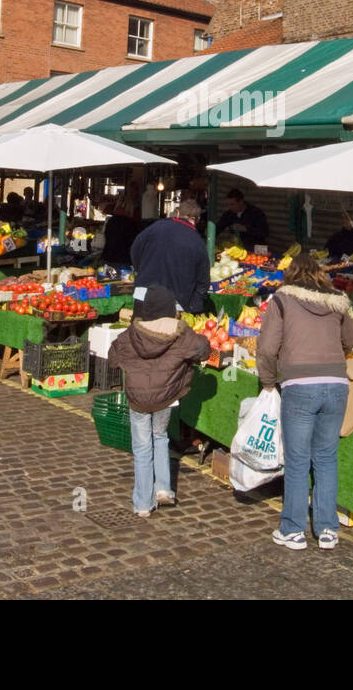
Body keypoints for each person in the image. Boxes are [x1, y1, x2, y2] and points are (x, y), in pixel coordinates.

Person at [257, 253, 353, 551]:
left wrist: (267, 381)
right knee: (326, 457)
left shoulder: (281, 300)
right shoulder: (337, 302)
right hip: (337, 383)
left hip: (299, 385)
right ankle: (328, 530)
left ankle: (293, 530)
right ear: (320, 275)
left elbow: (266, 349)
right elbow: (350, 340)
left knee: (298, 460)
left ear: (291, 274)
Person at [106, 284, 208, 517]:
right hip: (166, 398)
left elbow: (113, 358)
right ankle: (163, 489)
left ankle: (143, 504)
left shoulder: (130, 333)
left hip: (138, 400)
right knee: (160, 437)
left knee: (142, 449)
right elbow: (203, 349)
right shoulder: (181, 332)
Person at [130, 198, 211, 313]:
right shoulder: (198, 242)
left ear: (177, 213)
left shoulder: (155, 227)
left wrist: (142, 270)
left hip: (144, 294)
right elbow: (203, 281)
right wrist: (194, 305)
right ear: (196, 220)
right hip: (176, 302)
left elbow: (135, 250)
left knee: (140, 329)